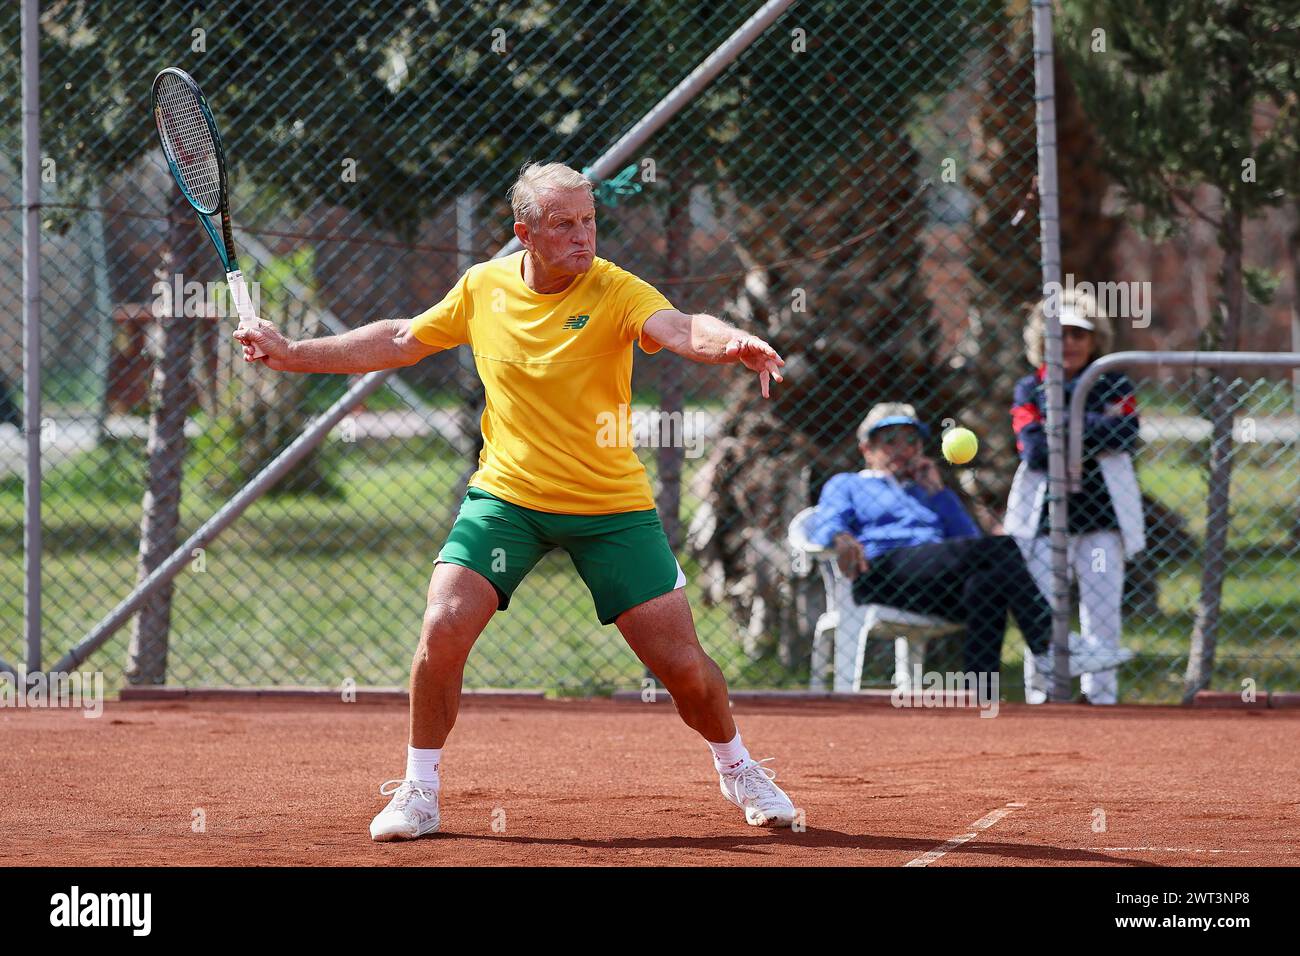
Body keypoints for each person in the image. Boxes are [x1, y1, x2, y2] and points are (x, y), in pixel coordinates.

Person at [233, 162, 799, 839]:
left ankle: (737, 766)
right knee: (442, 626)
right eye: (563, 225)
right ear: (523, 232)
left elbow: (680, 327)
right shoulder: (483, 288)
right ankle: (418, 790)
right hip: (508, 499)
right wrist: (292, 352)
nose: (582, 236)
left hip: (608, 505)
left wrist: (730, 342)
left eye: (588, 221)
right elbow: (402, 338)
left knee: (683, 668)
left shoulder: (616, 290)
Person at [807, 402, 1132, 691]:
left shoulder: (928, 491)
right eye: (889, 440)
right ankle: (1049, 646)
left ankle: (981, 696)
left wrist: (938, 492)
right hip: (879, 572)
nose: (901, 449)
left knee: (987, 582)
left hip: (928, 584)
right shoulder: (848, 483)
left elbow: (968, 541)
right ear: (867, 449)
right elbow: (824, 522)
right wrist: (840, 536)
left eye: (911, 440)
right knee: (1002, 548)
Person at [1006, 290, 1145, 704]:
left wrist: (1061, 423)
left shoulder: (1114, 381)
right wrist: (1093, 425)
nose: (1068, 343)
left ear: (1094, 339)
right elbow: (1033, 451)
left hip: (1101, 518)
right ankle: (1043, 694)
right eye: (1058, 335)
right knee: (1043, 611)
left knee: (1101, 610)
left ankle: (1101, 697)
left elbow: (1126, 434)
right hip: (1045, 520)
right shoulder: (1030, 387)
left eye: (1078, 335)